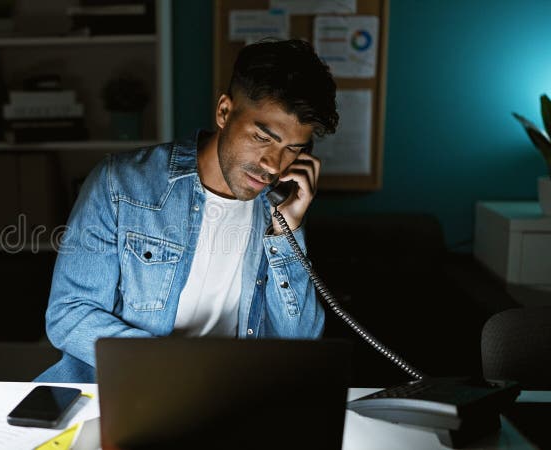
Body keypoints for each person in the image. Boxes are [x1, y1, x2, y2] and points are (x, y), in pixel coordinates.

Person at [36, 39, 339, 383]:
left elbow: (299, 345)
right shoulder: (120, 184)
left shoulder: (278, 209)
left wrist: (288, 233)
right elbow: (69, 316)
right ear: (224, 112)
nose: (272, 165)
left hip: (229, 398)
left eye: (292, 149)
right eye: (261, 138)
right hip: (128, 387)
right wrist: (178, 369)